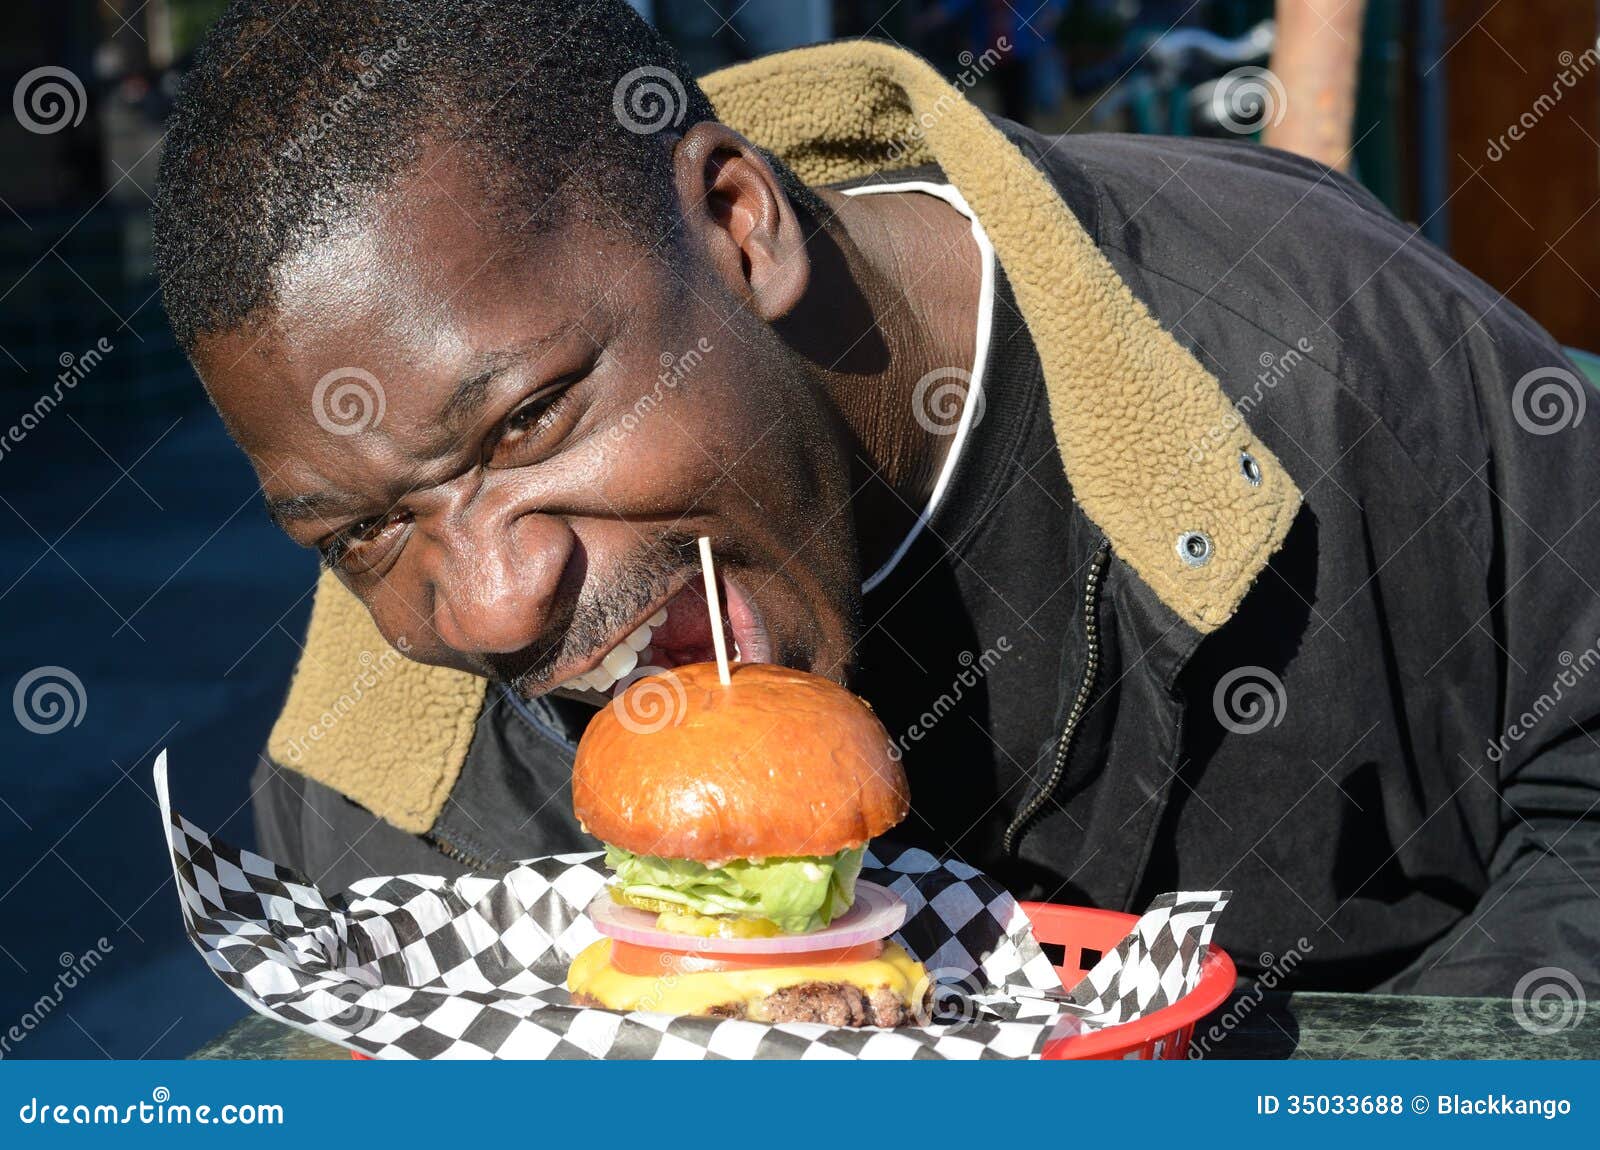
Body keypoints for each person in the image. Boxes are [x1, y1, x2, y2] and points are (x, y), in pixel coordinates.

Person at [153, 0, 1600, 996]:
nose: (487, 606)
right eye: (363, 530)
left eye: (529, 418)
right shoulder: (376, 810)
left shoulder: (1318, 343)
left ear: (738, 224)